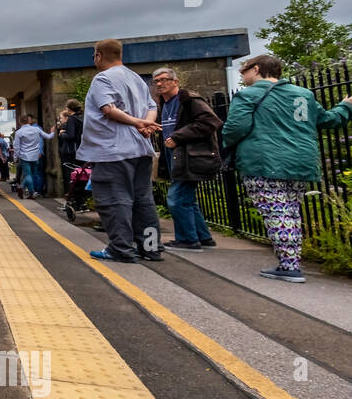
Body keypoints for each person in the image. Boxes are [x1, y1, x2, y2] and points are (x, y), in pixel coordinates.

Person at [221, 54, 352, 282]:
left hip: (263, 162)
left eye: (244, 70)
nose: (242, 75)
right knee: (290, 211)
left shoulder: (248, 95)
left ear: (257, 69)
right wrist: (345, 105)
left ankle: (290, 266)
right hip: (300, 161)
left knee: (277, 213)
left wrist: (229, 146)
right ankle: (291, 261)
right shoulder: (304, 94)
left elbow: (234, 129)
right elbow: (328, 120)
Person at [76, 39, 163, 262]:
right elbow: (152, 107)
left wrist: (137, 123)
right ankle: (151, 248)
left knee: (114, 200)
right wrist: (146, 124)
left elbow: (108, 109)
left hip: (112, 150)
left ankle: (121, 249)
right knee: (144, 200)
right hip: (141, 149)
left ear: (98, 55)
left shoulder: (102, 79)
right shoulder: (136, 78)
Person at [152, 67, 221, 251]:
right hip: (175, 158)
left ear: (175, 82)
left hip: (190, 158)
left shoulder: (189, 99)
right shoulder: (163, 104)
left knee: (176, 199)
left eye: (164, 79)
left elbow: (210, 122)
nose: (160, 83)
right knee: (187, 199)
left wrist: (178, 136)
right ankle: (203, 238)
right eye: (156, 81)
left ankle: (188, 240)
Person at [13, 114, 54, 199]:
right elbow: (49, 137)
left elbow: (16, 147)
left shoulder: (19, 132)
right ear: (28, 120)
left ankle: (31, 192)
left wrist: (16, 157)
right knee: (32, 174)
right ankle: (26, 189)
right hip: (35, 156)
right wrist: (52, 131)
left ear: (20, 122)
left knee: (28, 175)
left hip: (24, 157)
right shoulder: (37, 129)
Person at [57, 98, 84, 164]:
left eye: (66, 107)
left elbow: (70, 136)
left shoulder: (71, 119)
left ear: (70, 108)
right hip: (82, 149)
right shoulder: (81, 117)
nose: (66, 109)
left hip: (72, 151)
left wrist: (61, 134)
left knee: (71, 172)